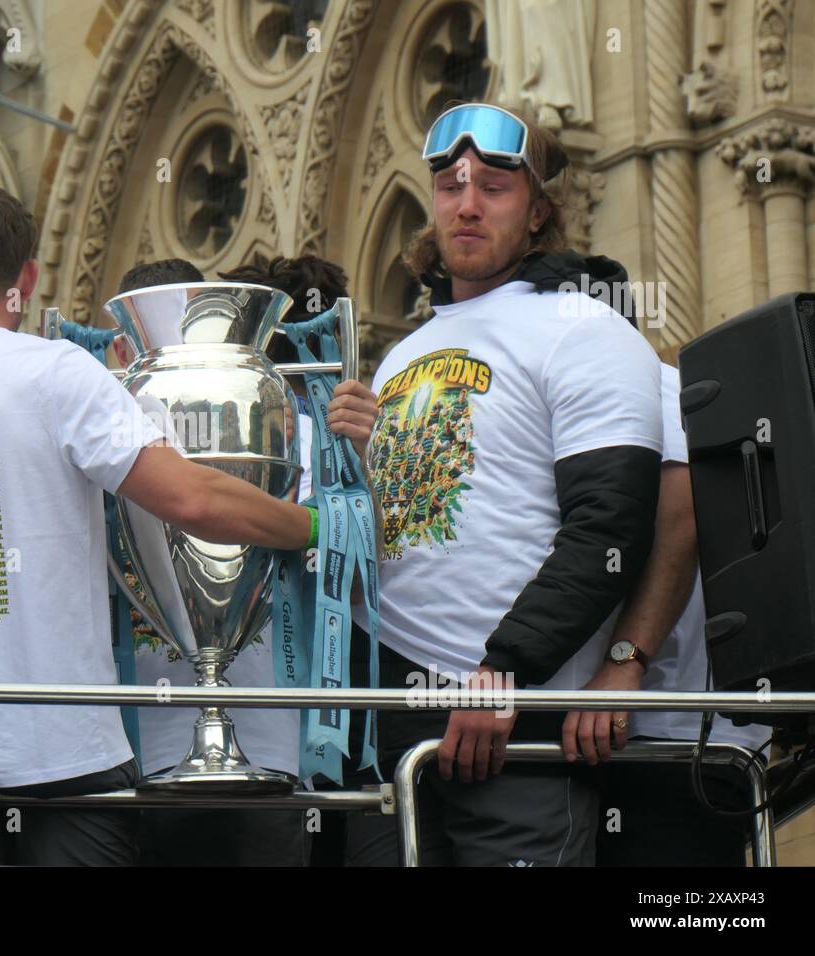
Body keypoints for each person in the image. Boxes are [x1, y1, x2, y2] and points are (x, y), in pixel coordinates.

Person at [0, 187, 315, 865]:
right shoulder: (54, 372)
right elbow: (189, 499)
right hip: (62, 754)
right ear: (27, 278)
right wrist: (316, 526)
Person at [327, 102, 663, 866]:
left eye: (494, 188)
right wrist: (364, 450)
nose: (467, 204)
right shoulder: (402, 353)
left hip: (513, 712)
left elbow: (610, 527)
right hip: (388, 712)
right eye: (450, 184)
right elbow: (419, 517)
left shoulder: (584, 327)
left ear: (539, 209)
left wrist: (505, 670)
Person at [118, 257, 310, 867]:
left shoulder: (294, 429)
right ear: (124, 347)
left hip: (268, 749)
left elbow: (345, 571)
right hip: (140, 751)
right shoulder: (93, 436)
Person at [560, 358, 770, 866]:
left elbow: (682, 517)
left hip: (672, 735)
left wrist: (624, 660)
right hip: (575, 726)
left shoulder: (654, 386)